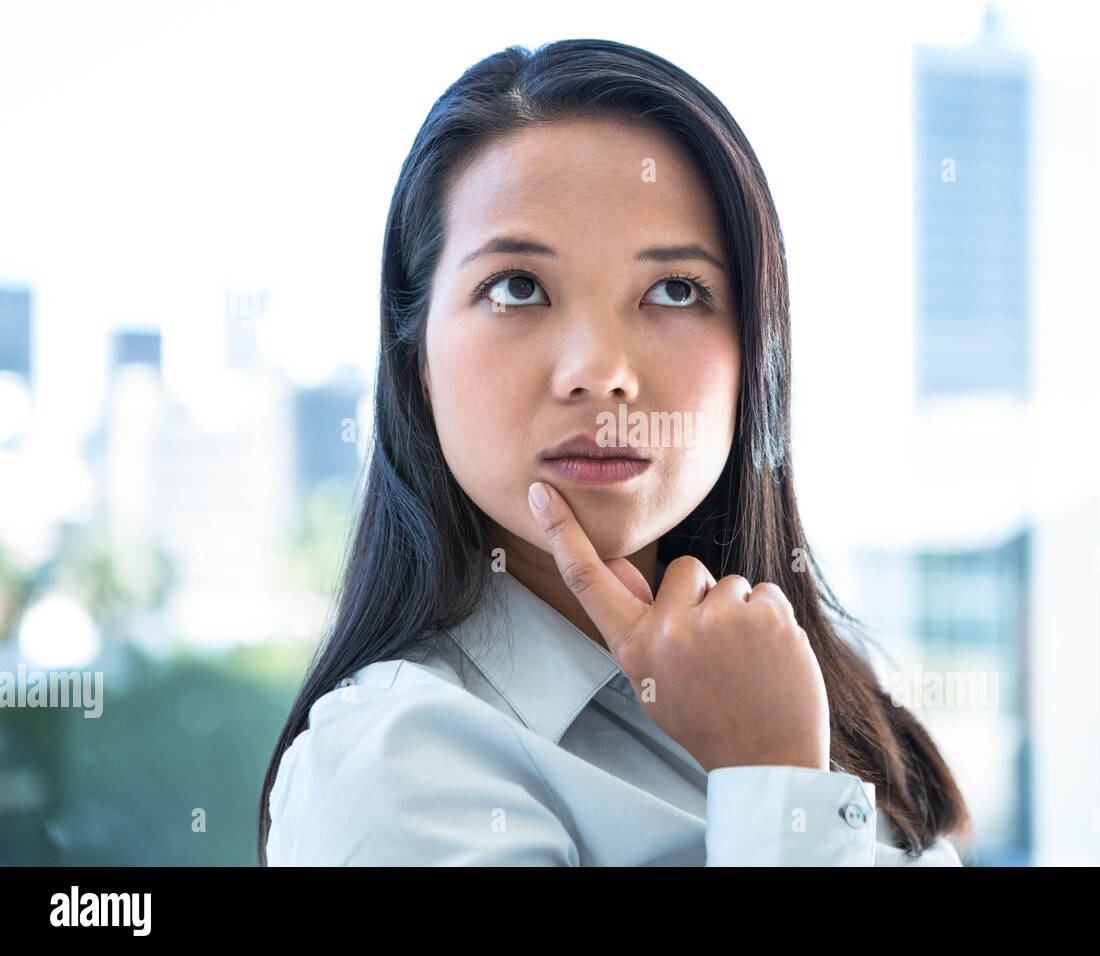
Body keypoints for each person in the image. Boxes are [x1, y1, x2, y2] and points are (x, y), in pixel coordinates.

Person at [259, 37, 971, 866]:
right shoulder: (390, 763)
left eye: (675, 290)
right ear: (413, 355)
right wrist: (773, 783)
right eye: (517, 287)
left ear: (754, 353)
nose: (600, 375)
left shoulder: (823, 701)